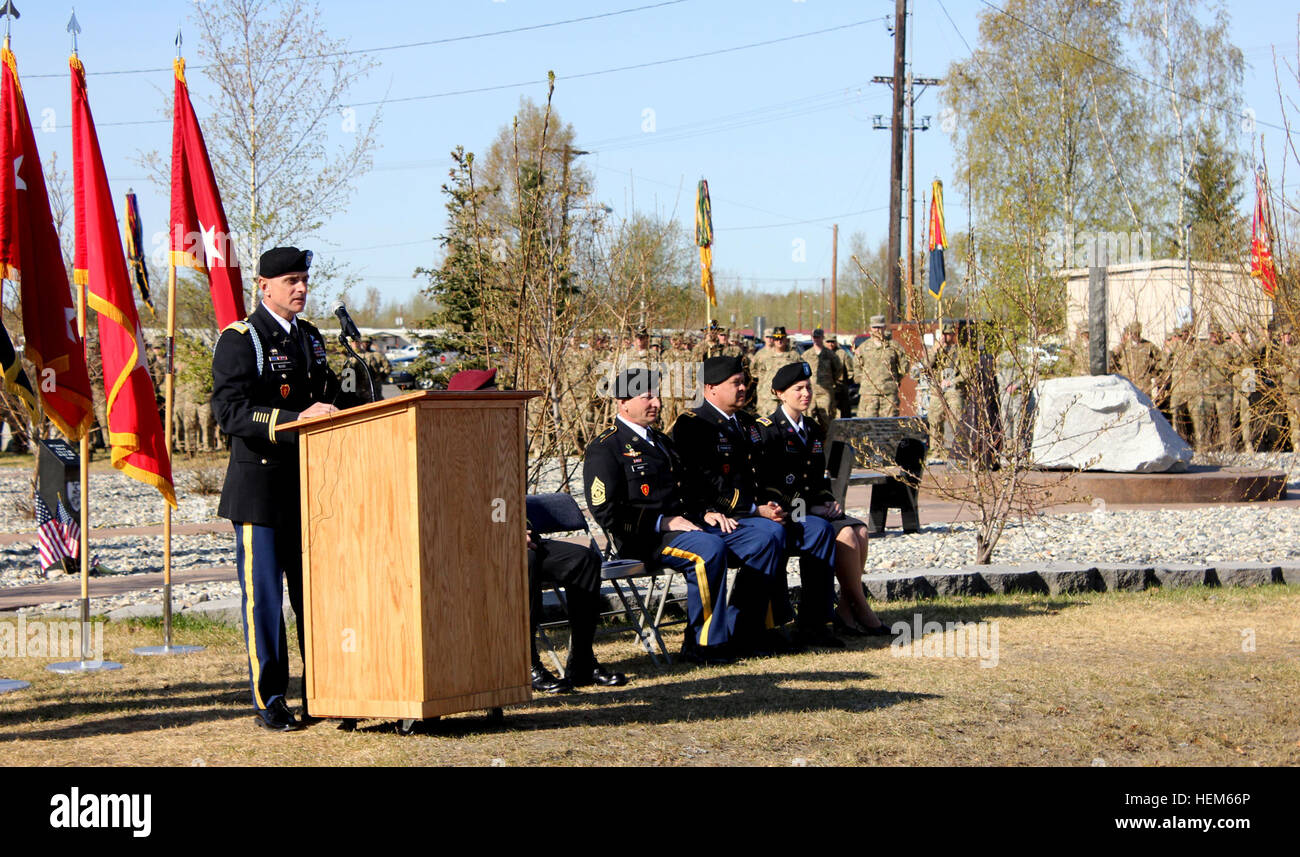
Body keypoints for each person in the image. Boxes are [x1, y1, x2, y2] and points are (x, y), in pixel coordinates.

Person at [211, 246, 359, 732]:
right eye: (291, 280)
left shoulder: (311, 337)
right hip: (260, 492)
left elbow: (331, 396)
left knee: (315, 596)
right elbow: (230, 413)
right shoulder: (242, 339)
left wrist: (361, 392)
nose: (300, 288)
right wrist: (297, 420)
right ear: (263, 285)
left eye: (304, 279)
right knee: (265, 598)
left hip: (310, 489)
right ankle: (270, 697)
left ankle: (324, 689)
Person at [583, 368, 756, 664]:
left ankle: (747, 630)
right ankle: (703, 644)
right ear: (623, 402)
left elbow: (686, 488)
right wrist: (661, 522)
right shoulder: (606, 447)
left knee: (762, 536)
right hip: (643, 538)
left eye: (657, 396)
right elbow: (606, 511)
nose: (657, 404)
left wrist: (707, 512)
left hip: (684, 527)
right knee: (708, 551)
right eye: (647, 396)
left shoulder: (661, 441)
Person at [671, 356, 840, 651]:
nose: (743, 388)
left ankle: (813, 625)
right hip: (713, 517)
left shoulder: (749, 424)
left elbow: (767, 474)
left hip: (757, 514)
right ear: (710, 388)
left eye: (743, 382)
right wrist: (754, 509)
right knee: (769, 535)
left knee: (818, 529)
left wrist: (777, 505)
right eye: (735, 383)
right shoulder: (693, 425)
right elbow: (704, 483)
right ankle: (748, 627)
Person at [756, 362, 891, 637]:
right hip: (786, 514)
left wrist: (829, 501)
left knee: (860, 530)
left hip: (813, 509)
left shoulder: (813, 428)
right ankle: (860, 608)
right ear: (780, 393)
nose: (806, 394)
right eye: (798, 389)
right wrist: (810, 507)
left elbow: (818, 478)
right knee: (847, 537)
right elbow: (768, 487)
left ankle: (845, 608)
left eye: (808, 388)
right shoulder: (767, 430)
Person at [854, 315, 909, 417]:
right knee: (867, 426)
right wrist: (864, 381)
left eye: (880, 327)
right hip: (869, 394)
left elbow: (904, 366)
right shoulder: (863, 347)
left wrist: (895, 380)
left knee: (889, 425)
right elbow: (857, 367)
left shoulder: (894, 346)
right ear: (870, 328)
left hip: (889, 394)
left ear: (884, 328)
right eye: (875, 327)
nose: (877, 330)